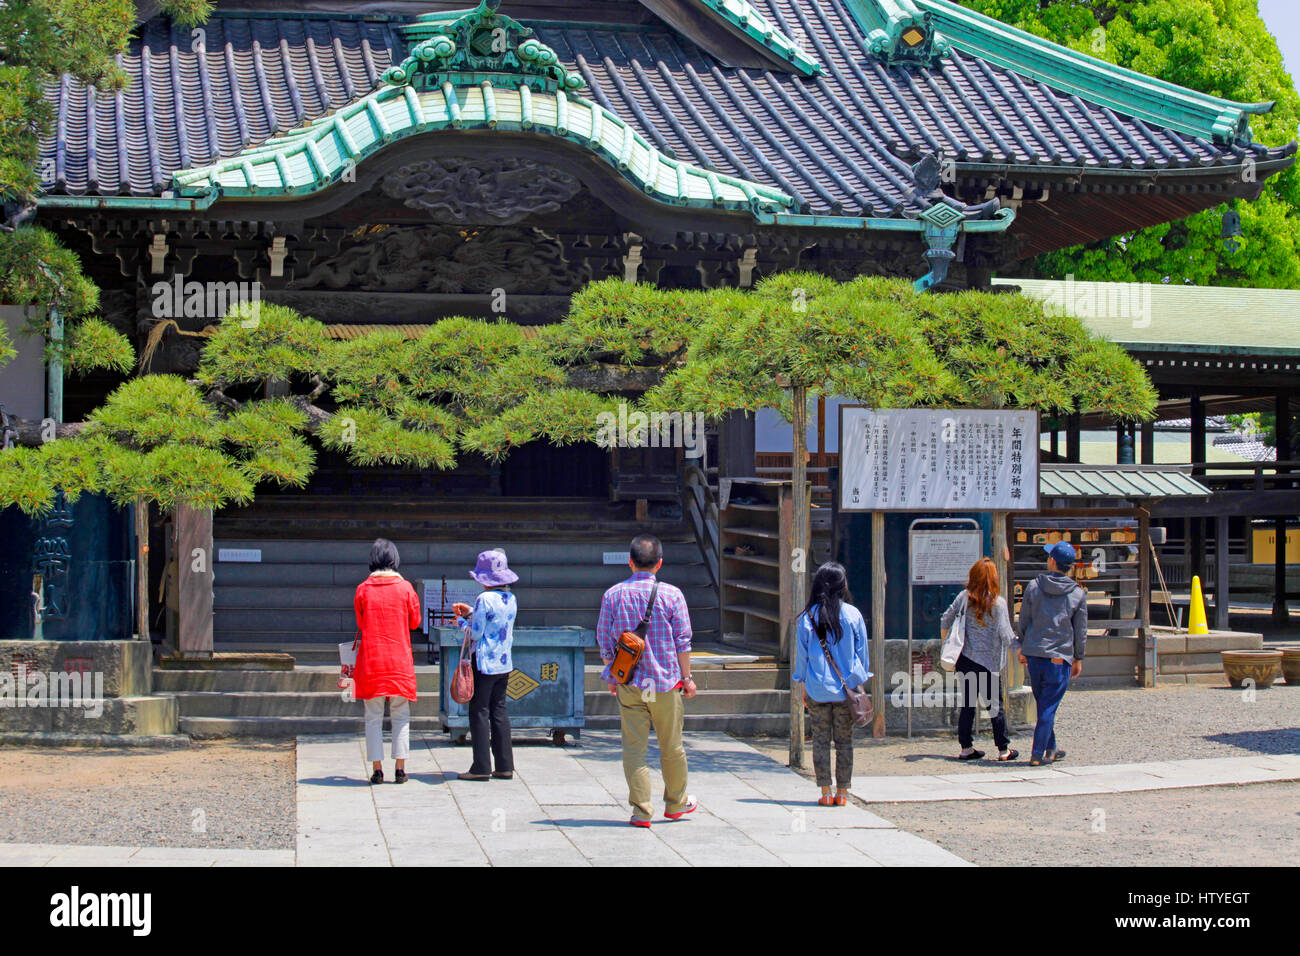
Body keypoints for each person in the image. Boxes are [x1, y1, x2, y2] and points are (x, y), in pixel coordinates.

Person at [596, 533, 697, 828]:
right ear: (660, 564)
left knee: (634, 749)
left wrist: (614, 676)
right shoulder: (673, 595)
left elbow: (604, 643)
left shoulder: (613, 595)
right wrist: (687, 678)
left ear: (630, 562)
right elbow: (683, 642)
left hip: (631, 684)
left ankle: (641, 811)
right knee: (672, 746)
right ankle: (676, 803)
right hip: (665, 684)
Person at [792, 562, 870, 806]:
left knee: (820, 739)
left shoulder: (807, 617)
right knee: (844, 741)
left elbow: (802, 657)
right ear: (843, 585)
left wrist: (801, 684)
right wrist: (857, 680)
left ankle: (825, 790)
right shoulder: (853, 615)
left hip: (817, 687)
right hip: (846, 690)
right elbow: (862, 655)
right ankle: (843, 792)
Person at [353, 538, 421, 785]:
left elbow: (361, 624)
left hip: (372, 660)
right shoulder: (405, 589)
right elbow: (415, 622)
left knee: (373, 716)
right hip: (399, 660)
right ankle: (401, 768)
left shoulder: (363, 589)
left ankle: (377, 769)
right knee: (401, 714)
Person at [1015, 540, 1087, 767]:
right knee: (1047, 706)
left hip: (1036, 653)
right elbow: (1080, 630)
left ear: (1053, 561)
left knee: (1043, 703)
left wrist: (1023, 646)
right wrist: (1078, 657)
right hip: (1059, 655)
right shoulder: (1077, 593)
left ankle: (1051, 747)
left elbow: (1024, 619)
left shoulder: (1034, 586)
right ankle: (1037, 754)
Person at [939, 557, 1018, 763]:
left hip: (965, 658)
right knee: (995, 706)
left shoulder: (964, 597)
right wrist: (1021, 650)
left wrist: (948, 645)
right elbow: (1006, 634)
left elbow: (945, 619)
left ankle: (966, 747)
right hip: (989, 662)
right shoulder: (998, 603)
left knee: (967, 704)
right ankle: (1003, 750)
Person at [452, 549, 518, 781]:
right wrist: (471, 612)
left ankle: (481, 766)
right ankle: (504, 765)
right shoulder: (511, 599)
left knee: (478, 712)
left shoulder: (483, 599)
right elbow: (496, 622)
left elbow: (477, 633)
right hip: (504, 662)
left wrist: (460, 621)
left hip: (483, 663)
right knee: (499, 711)